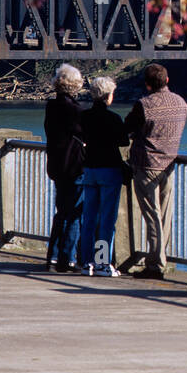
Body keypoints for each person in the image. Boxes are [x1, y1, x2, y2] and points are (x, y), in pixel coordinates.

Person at [124, 63, 187, 279]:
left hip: (146, 165)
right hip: (169, 164)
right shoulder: (181, 103)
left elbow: (128, 127)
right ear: (167, 81)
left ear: (147, 84)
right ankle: (160, 258)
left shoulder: (144, 104)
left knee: (152, 215)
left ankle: (156, 264)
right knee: (165, 214)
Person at [79, 76, 127, 277]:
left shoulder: (84, 117)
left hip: (89, 169)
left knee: (89, 218)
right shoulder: (114, 119)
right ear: (108, 96)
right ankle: (102, 262)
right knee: (107, 220)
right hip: (109, 170)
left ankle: (86, 262)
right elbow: (123, 141)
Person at [44, 63, 85, 273]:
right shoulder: (75, 110)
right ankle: (67, 259)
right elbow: (86, 133)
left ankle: (52, 256)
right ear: (75, 85)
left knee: (61, 212)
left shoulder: (51, 107)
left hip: (56, 165)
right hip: (74, 167)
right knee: (75, 214)